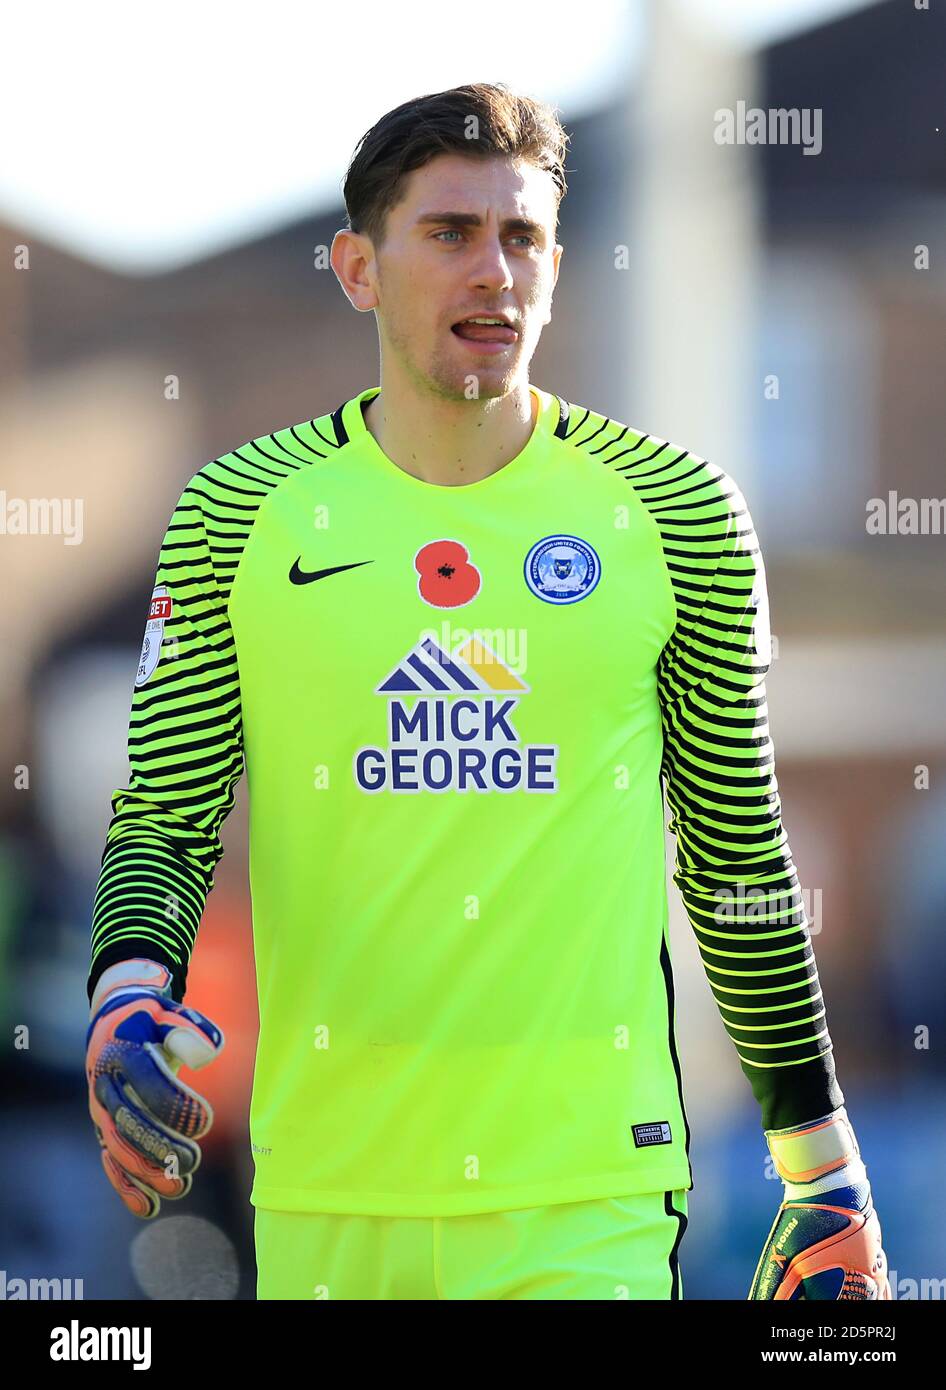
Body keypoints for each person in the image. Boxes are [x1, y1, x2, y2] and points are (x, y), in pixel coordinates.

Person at [85, 82, 890, 1301]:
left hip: (585, 1195)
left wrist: (821, 1168)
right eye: (451, 234)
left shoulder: (677, 512)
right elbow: (167, 809)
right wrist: (127, 991)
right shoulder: (238, 512)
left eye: (521, 239)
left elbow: (734, 851)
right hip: (325, 1187)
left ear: (556, 268)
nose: (493, 272)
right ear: (359, 269)